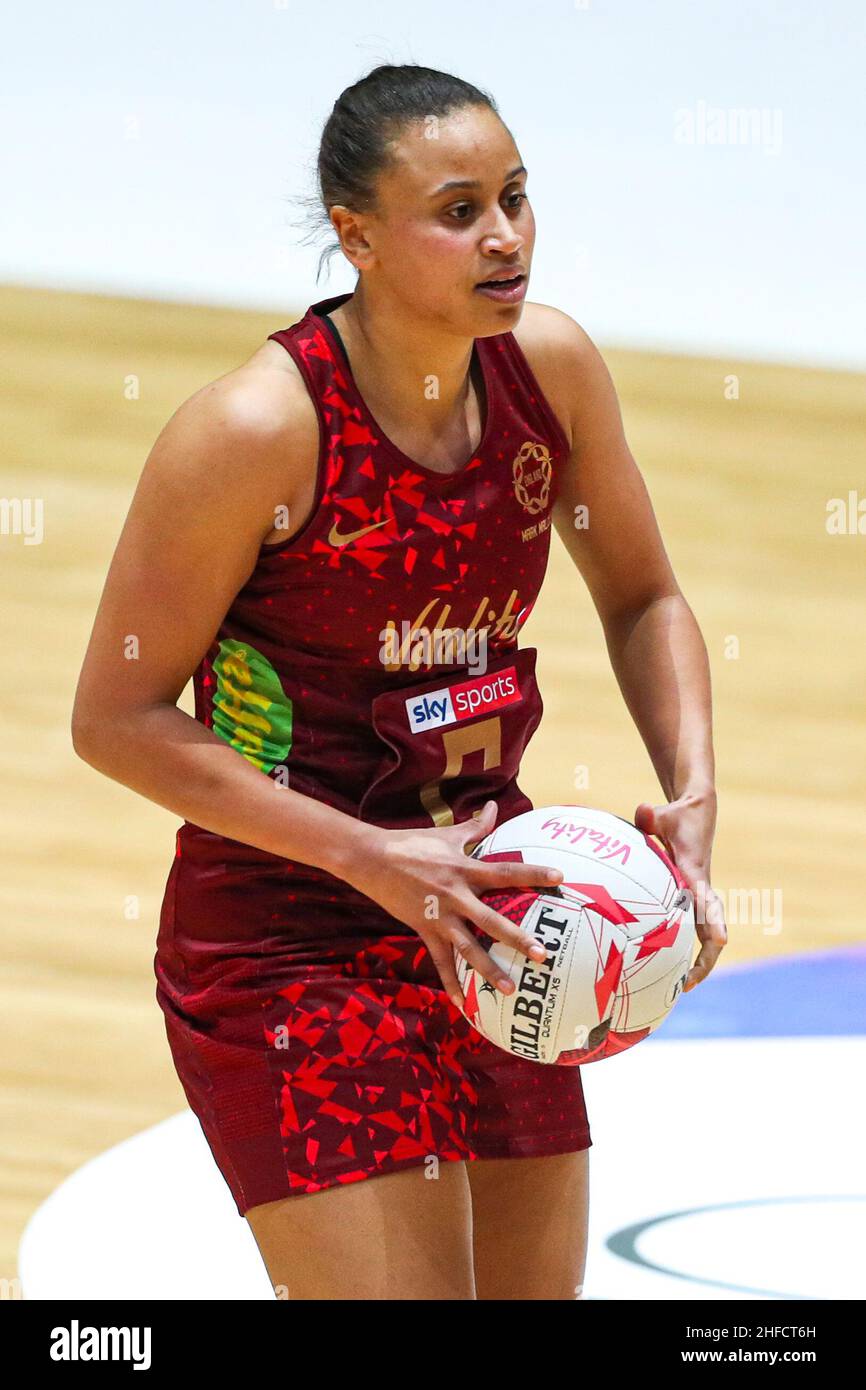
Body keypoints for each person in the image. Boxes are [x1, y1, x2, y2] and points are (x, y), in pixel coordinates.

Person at [71, 62, 726, 1301]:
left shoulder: (549, 369)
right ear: (355, 235)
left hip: (493, 912)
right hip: (288, 933)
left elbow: (644, 594)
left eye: (516, 199)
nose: (504, 237)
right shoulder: (257, 428)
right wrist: (371, 860)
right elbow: (115, 720)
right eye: (459, 208)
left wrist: (690, 794)